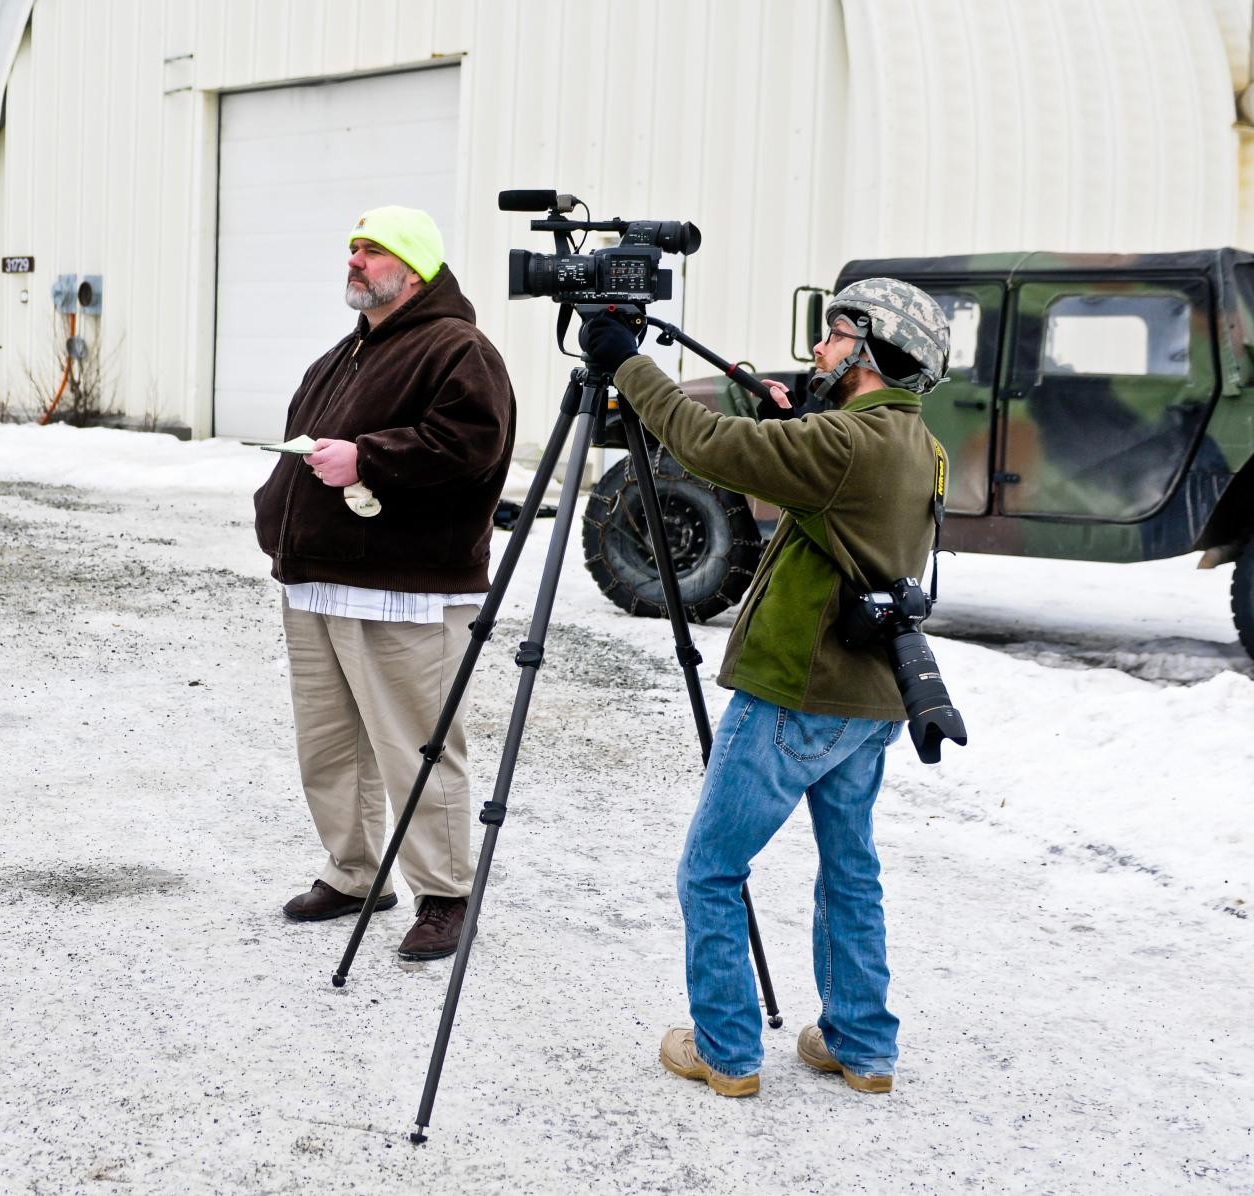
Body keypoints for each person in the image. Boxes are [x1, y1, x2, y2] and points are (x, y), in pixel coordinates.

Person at [578, 278, 952, 1097]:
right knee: (850, 869)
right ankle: (862, 1047)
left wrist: (628, 366)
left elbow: (705, 443)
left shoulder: (845, 446)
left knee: (710, 871)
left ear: (873, 350)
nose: (820, 347)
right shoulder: (914, 443)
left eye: (835, 333)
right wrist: (797, 425)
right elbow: (834, 498)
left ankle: (728, 1053)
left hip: (796, 693)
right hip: (869, 700)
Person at [254, 206, 516, 961]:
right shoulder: (347, 353)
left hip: (407, 590)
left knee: (417, 746)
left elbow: (470, 446)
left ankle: (445, 894)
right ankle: (355, 871)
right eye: (354, 249)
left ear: (415, 270)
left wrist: (369, 459)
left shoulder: (458, 349)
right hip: (317, 585)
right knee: (330, 747)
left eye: (373, 251)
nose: (356, 260)